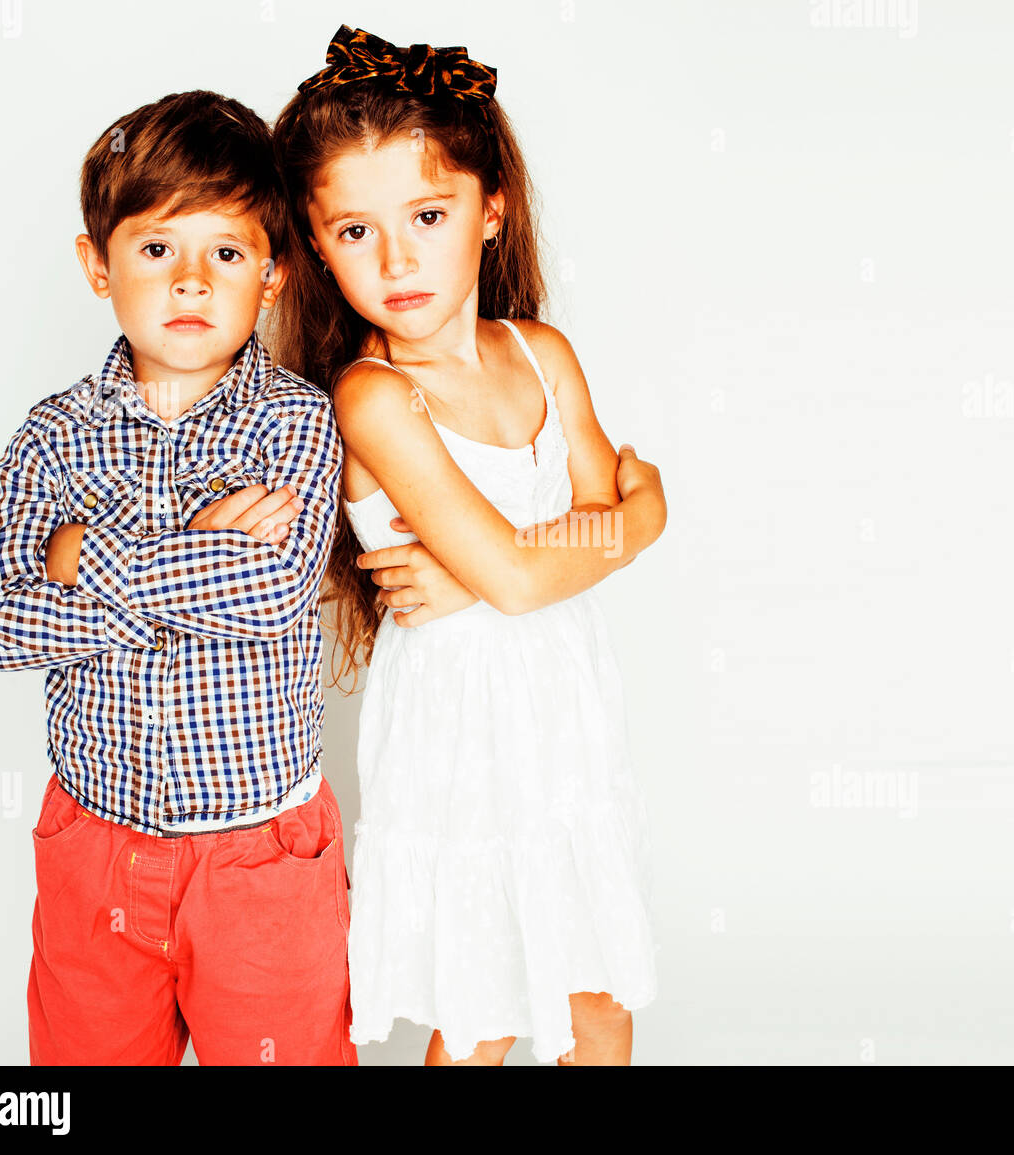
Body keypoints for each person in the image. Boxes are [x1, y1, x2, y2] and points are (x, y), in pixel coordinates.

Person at [269, 26, 667, 1065]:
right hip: (458, 726)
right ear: (315, 244)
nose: (396, 259)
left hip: (560, 708)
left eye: (428, 215)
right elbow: (546, 561)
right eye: (354, 231)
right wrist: (633, 517)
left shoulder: (541, 356)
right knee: (483, 1008)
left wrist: (599, 531)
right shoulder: (374, 396)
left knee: (596, 999)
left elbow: (555, 551)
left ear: (492, 209)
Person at [0, 90, 354, 1066]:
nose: (191, 281)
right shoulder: (51, 435)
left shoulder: (294, 421)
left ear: (270, 276)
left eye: (225, 253)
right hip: (95, 845)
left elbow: (268, 595)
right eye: (155, 250)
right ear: (97, 266)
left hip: (259, 855)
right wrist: (196, 565)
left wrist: (80, 558)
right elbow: (1, 624)